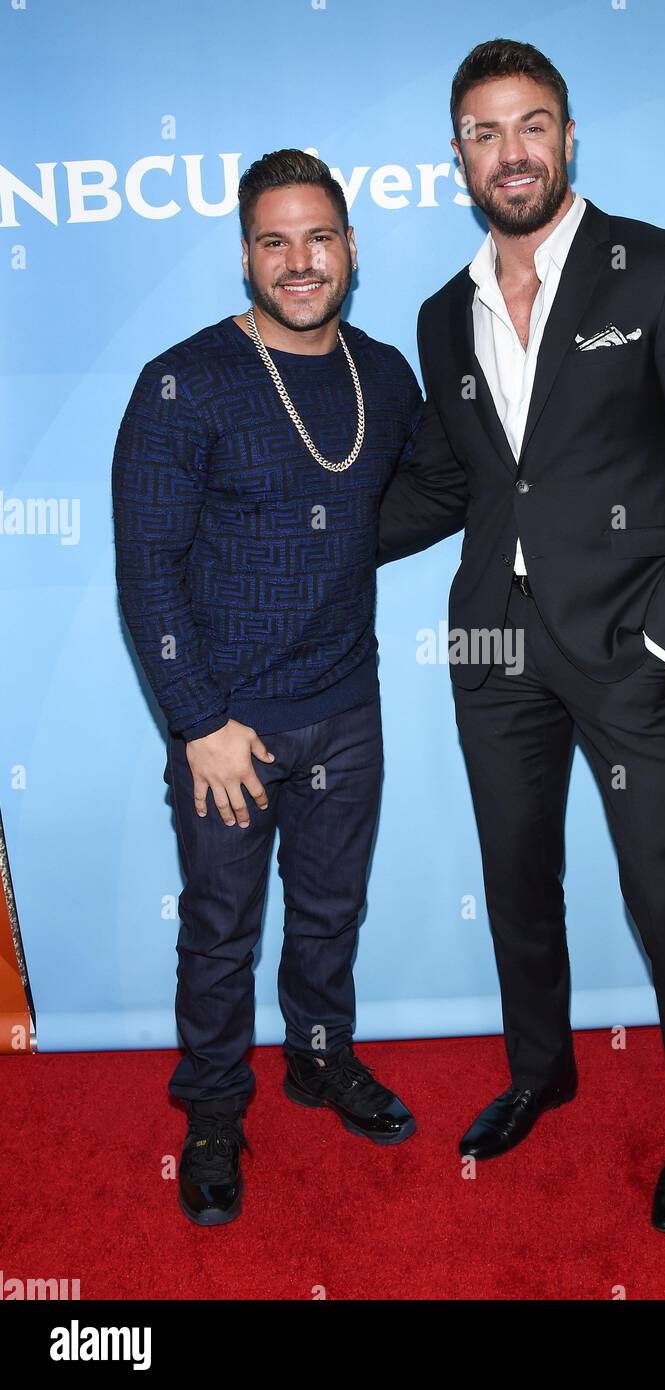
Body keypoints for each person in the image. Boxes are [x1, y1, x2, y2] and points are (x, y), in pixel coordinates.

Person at [379, 40, 665, 1233]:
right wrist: (310, 529)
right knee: (516, 878)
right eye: (486, 132)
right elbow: (459, 483)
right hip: (493, 647)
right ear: (458, 154)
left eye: (533, 124)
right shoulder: (439, 315)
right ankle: (540, 1071)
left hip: (626, 649)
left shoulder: (663, 270)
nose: (513, 152)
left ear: (568, 136)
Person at [112, 149, 421, 1227]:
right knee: (221, 927)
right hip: (228, 725)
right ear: (245, 254)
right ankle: (209, 1108)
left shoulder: (384, 375)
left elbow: (426, 494)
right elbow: (145, 569)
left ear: (349, 246)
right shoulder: (181, 380)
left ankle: (319, 1059)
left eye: (319, 237)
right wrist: (199, 723)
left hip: (348, 704)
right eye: (275, 241)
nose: (300, 262)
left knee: (331, 913)